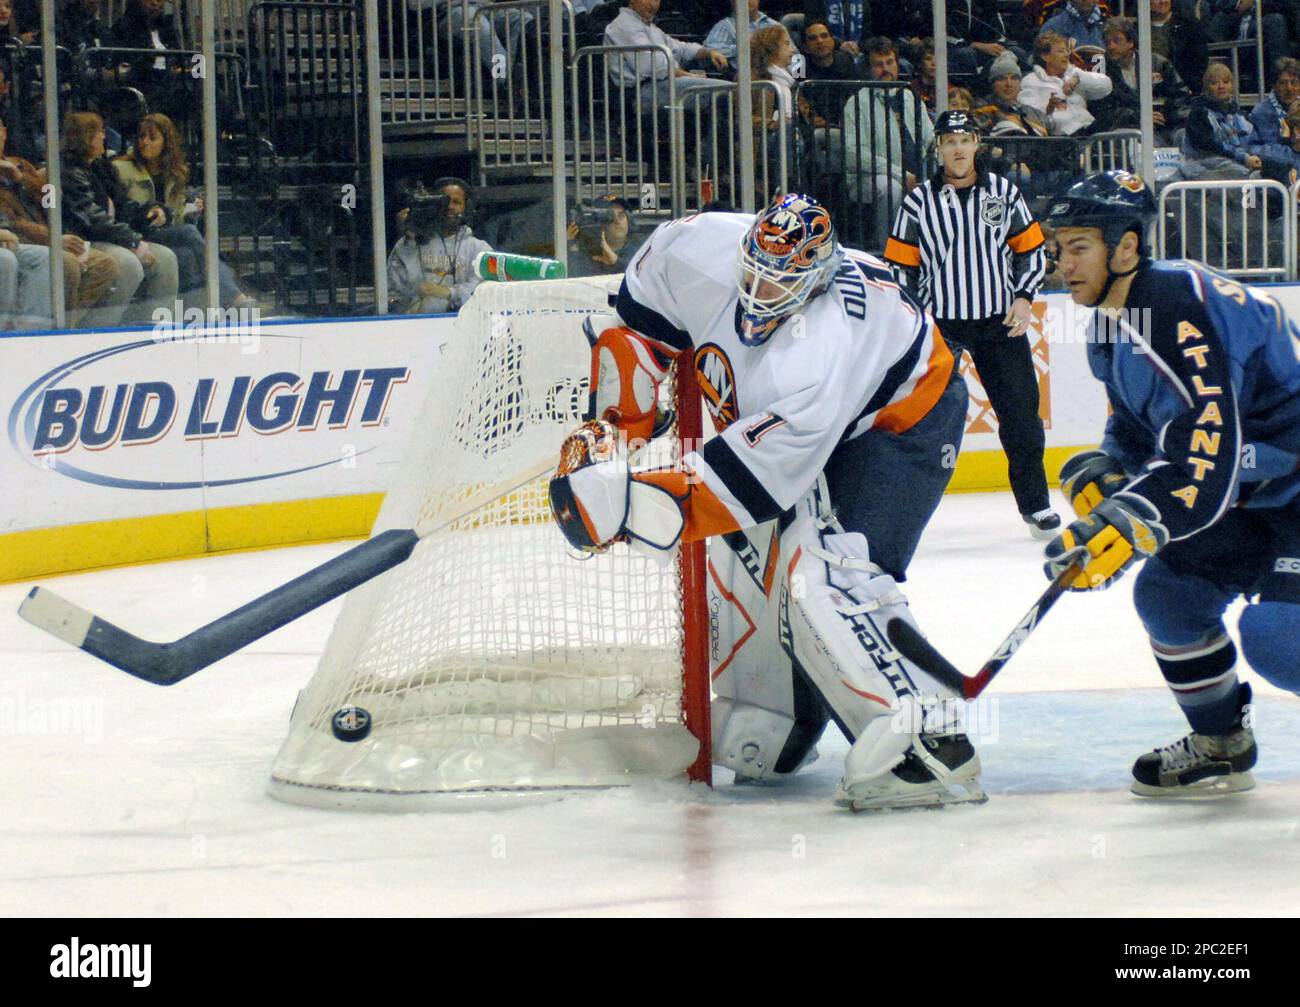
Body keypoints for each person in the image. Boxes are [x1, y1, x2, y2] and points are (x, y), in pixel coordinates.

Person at [547, 194, 982, 811]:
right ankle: (772, 723)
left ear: (816, 282)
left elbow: (736, 488)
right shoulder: (689, 247)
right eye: (752, 274)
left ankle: (930, 742)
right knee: (746, 555)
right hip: (809, 415)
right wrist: (615, 432)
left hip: (900, 419)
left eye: (778, 286)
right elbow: (637, 333)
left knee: (827, 566)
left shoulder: (818, 353)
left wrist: (622, 508)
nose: (757, 294)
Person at [1043, 169, 1300, 797]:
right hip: (1259, 490)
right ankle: (1221, 744)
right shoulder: (1113, 319)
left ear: (1126, 246)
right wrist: (1111, 467)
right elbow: (1140, 427)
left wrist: (1134, 517)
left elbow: (1209, 458)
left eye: (1080, 247)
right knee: (1169, 597)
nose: (1064, 264)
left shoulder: (1177, 307)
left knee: (1279, 641)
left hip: (1288, 486)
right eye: (1060, 248)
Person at [884, 110, 1056, 538]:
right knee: (919, 418)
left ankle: (1037, 506)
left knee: (1021, 417)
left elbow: (1031, 250)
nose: (958, 148)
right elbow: (900, 266)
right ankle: (901, 509)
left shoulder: (1003, 192)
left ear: (977, 144)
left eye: (964, 140)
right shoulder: (918, 201)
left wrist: (1024, 296)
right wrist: (917, 318)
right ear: (939, 148)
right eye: (950, 141)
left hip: (1000, 323)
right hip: (941, 327)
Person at [111, 113, 255, 309]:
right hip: (136, 232)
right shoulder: (121, 169)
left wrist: (190, 212)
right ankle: (234, 297)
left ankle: (192, 313)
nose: (145, 142)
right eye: (142, 136)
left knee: (187, 255)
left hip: (165, 235)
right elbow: (121, 209)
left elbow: (176, 218)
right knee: (188, 232)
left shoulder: (175, 173)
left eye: (152, 138)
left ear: (166, 143)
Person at [60, 111, 178, 326]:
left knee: (166, 258)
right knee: (127, 263)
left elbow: (123, 206)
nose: (104, 136)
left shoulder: (101, 168)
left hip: (113, 237)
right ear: (86, 137)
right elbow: (92, 219)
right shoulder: (69, 171)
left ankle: (153, 327)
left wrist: (151, 211)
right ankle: (103, 329)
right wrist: (132, 241)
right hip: (87, 240)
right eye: (99, 131)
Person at [0, 117, 118, 325]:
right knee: (66, 264)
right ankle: (52, 329)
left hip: (47, 235)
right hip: (23, 239)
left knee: (104, 265)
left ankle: (70, 327)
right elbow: (11, 224)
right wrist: (52, 238)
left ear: (5, 133)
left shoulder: (21, 165)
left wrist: (21, 178)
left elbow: (52, 202)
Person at [842, 37, 935, 251]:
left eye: (890, 62)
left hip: (916, 172)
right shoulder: (857, 102)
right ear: (869, 69)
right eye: (878, 64)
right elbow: (853, 153)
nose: (885, 69)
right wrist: (900, 174)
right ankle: (889, 251)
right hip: (869, 176)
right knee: (891, 188)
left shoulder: (911, 97)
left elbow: (930, 138)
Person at [387, 177, 491, 314]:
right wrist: (410, 239)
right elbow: (395, 289)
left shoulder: (479, 249)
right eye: (444, 201)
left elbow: (486, 290)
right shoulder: (409, 244)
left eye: (456, 202)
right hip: (417, 322)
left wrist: (449, 292)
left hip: (466, 322)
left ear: (467, 207)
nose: (449, 207)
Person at [1094, 15, 1190, 138]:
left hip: (1164, 126)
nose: (1111, 46)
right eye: (1107, 42)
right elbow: (1101, 110)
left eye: (1117, 40)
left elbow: (1180, 96)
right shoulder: (1101, 71)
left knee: (1182, 136)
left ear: (1131, 42)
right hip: (1125, 131)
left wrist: (1166, 116)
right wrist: (1138, 117)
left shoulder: (1157, 64)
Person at [1018, 29, 1112, 136]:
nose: (1067, 55)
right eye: (1060, 51)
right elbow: (1031, 117)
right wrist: (1049, 107)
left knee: (1120, 114)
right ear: (1045, 56)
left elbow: (1106, 86)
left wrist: (1078, 79)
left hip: (1087, 129)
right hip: (1061, 137)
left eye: (1067, 51)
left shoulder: (1074, 73)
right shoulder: (1031, 81)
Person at [1181, 63, 1262, 180]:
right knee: (1242, 173)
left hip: (1237, 160)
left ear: (1232, 85)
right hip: (1204, 164)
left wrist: (1254, 157)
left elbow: (1252, 140)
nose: (1221, 86)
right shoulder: (1198, 114)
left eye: (1225, 82)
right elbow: (1210, 147)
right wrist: (1244, 157)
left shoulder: (1238, 113)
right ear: (1206, 87)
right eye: (1214, 83)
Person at [565, 194, 636, 277]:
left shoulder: (639, 250)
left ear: (629, 220)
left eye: (621, 215)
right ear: (598, 223)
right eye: (609, 217)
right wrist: (569, 245)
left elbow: (638, 278)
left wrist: (616, 262)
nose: (617, 221)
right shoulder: (588, 255)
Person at [703, 0, 783, 68]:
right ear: (732, 2)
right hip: (744, 78)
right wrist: (747, 48)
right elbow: (709, 50)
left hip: (781, 76)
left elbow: (790, 56)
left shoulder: (776, 26)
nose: (746, 1)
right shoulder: (725, 26)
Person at [1248, 57, 1300, 149]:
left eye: (1294, 82)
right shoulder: (1262, 112)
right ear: (1274, 86)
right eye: (1283, 83)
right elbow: (1274, 148)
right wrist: (1288, 121)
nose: (1289, 88)